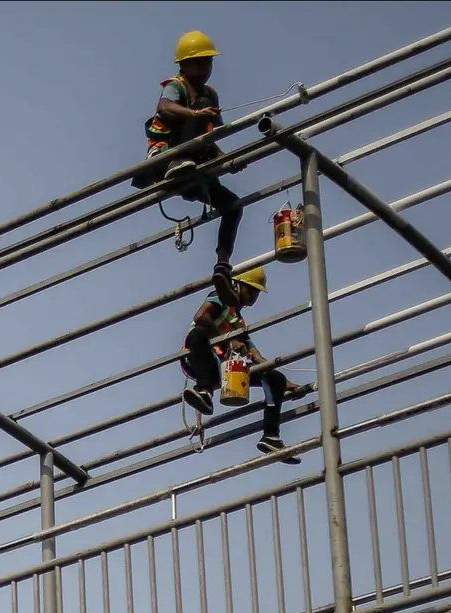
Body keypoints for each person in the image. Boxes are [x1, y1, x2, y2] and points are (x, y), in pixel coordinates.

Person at [143, 29, 244, 293]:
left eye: (209, 62)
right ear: (185, 64)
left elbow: (210, 138)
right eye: (200, 62)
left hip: (194, 168)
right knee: (191, 116)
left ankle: (222, 266)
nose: (207, 67)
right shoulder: (176, 87)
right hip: (167, 158)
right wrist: (194, 113)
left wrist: (227, 161)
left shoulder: (210, 95)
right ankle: (175, 164)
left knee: (233, 206)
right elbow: (164, 108)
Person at [179, 266, 299, 462]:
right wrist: (227, 340)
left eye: (256, 292)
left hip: (224, 369)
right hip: (199, 360)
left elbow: (254, 355)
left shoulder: (238, 322)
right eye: (250, 290)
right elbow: (200, 317)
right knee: (198, 334)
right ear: (236, 285)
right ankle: (204, 391)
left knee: (274, 378)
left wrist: (282, 381)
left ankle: (271, 436)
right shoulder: (221, 298)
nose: (253, 296)